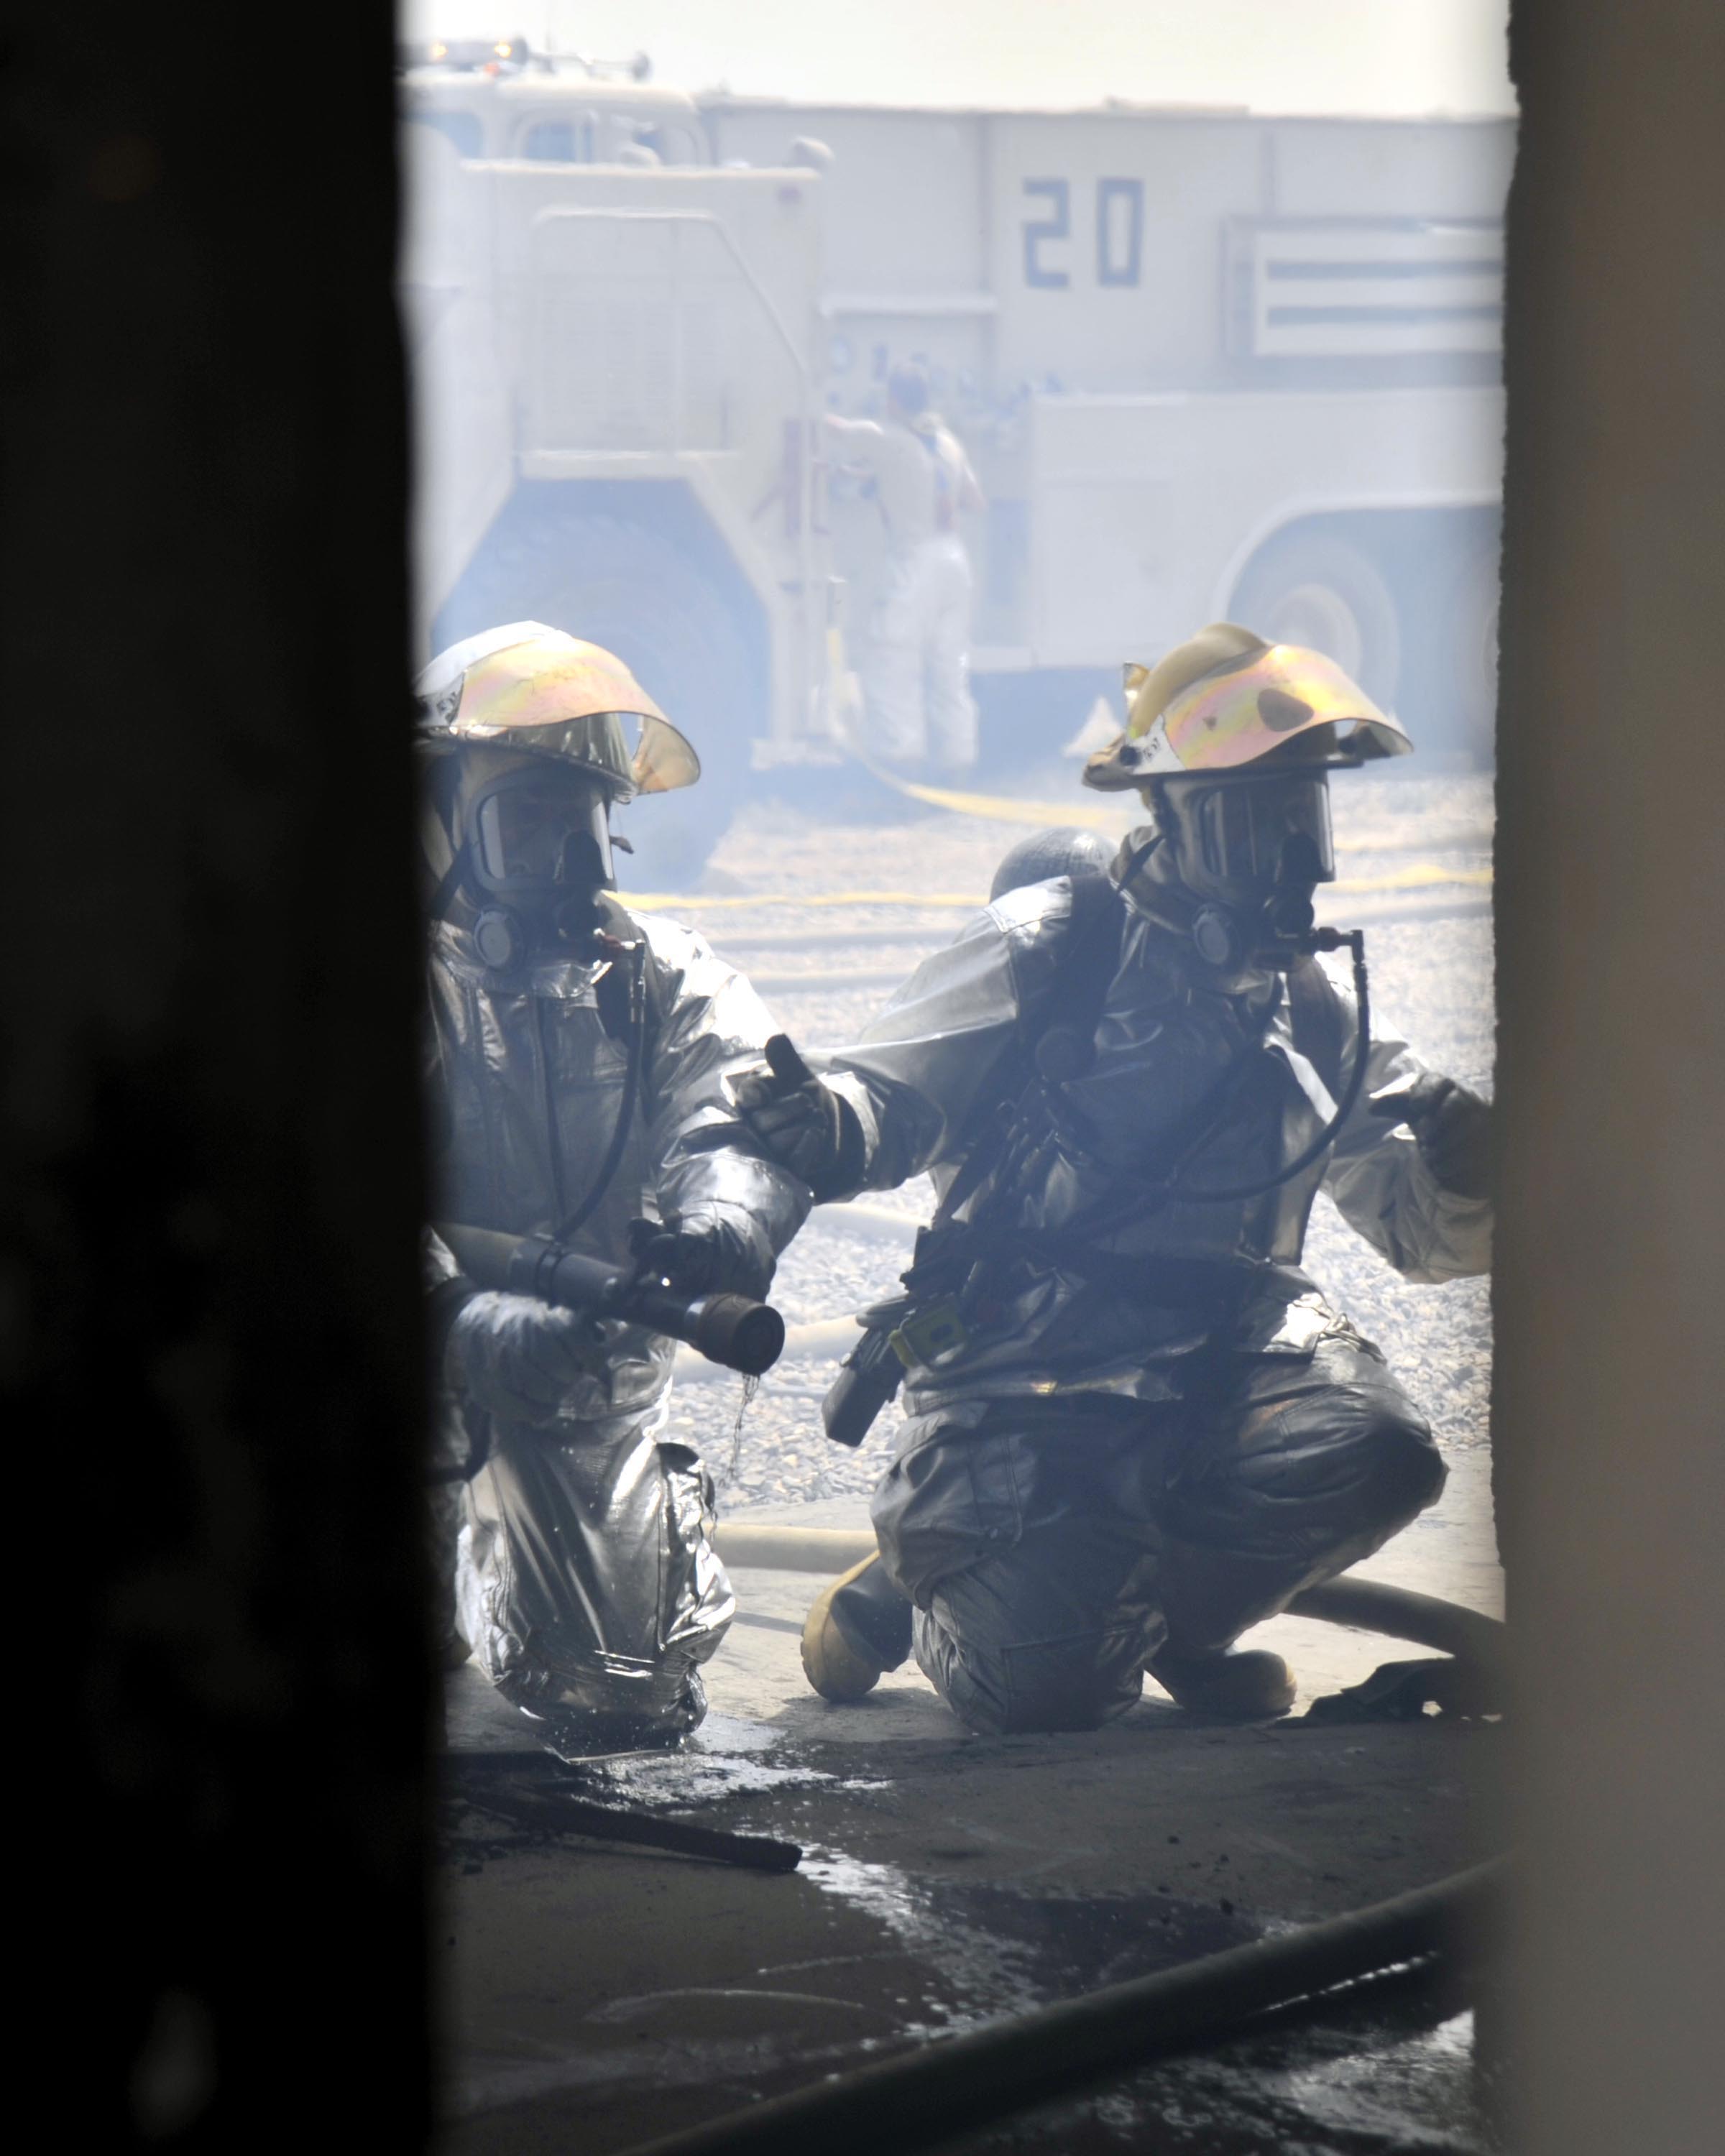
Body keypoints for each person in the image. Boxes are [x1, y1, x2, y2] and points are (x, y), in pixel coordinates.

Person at [736, 623, 1492, 1735]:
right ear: (1169, 813)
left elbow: (1420, 1238)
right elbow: (887, 1095)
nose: (1287, 855)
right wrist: (823, 1127)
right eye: (1252, 820)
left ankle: (1164, 1627)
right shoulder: (1055, 946)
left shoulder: (1316, 1008)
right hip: (1026, 1367)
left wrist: (1471, 1174)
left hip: (1221, 1362)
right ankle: (912, 1587)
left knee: (1378, 1454)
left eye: (1302, 816)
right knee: (1046, 1699)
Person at [418, 622, 811, 1756]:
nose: (580, 864)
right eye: (531, 822)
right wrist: (462, 1320)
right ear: (439, 821)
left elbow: (737, 1103)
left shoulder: (658, 977)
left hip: (581, 1395)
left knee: (613, 1697)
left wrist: (724, 1218)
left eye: (589, 819)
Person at [827, 362, 985, 774]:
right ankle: (958, 767)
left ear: (892, 399)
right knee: (950, 668)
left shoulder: (887, 437)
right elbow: (973, 500)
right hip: (954, 561)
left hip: (915, 559)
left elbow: (836, 429)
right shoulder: (947, 442)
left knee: (892, 662)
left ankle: (904, 765)